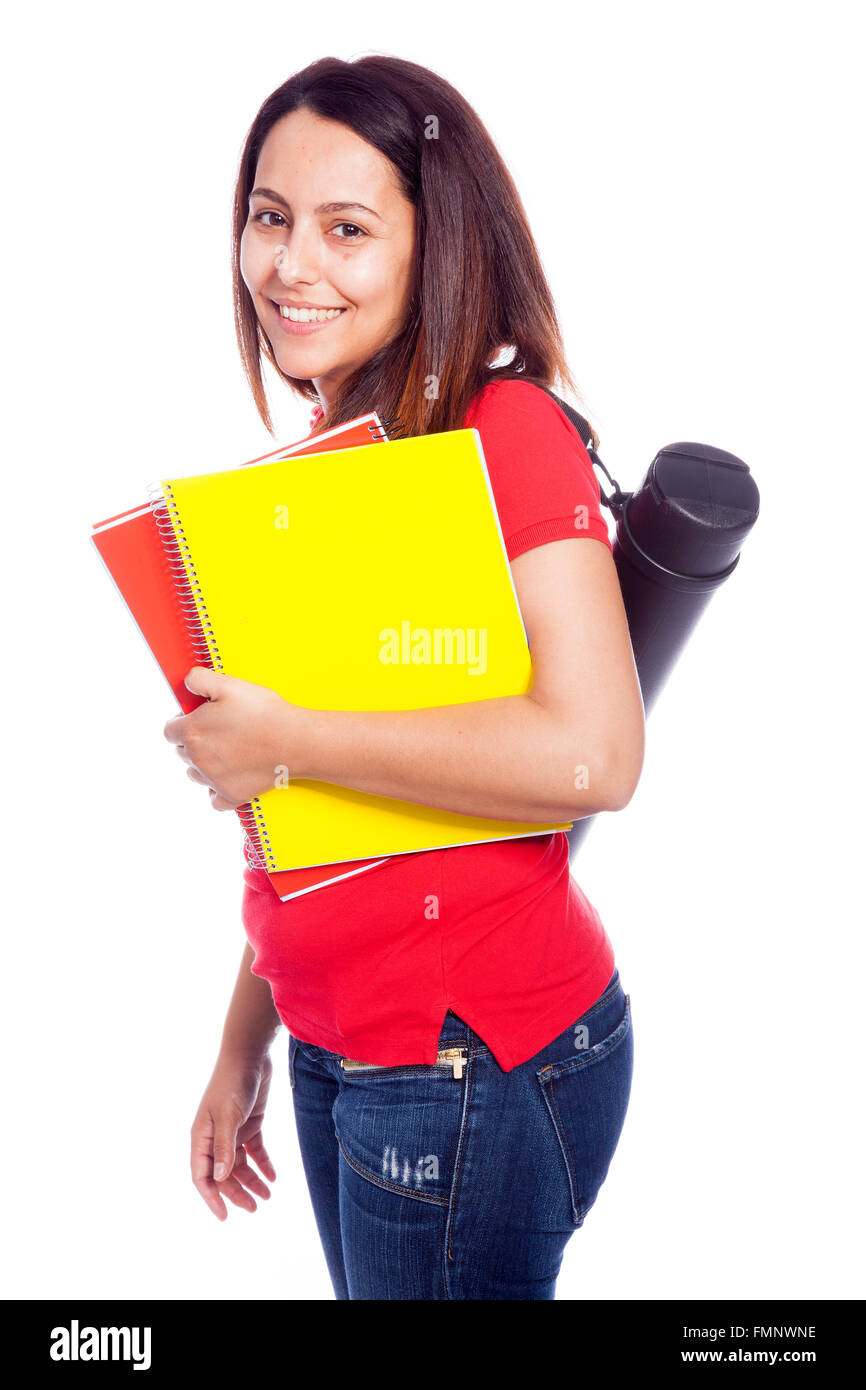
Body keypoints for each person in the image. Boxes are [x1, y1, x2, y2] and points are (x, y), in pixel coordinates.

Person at [166, 54, 645, 1301]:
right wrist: (243, 1045)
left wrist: (290, 740)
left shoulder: (504, 432)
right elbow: (320, 829)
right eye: (267, 218)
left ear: (435, 248)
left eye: (346, 228)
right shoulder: (337, 463)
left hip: (466, 1057)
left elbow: (598, 753)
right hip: (345, 1043)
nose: (289, 265)